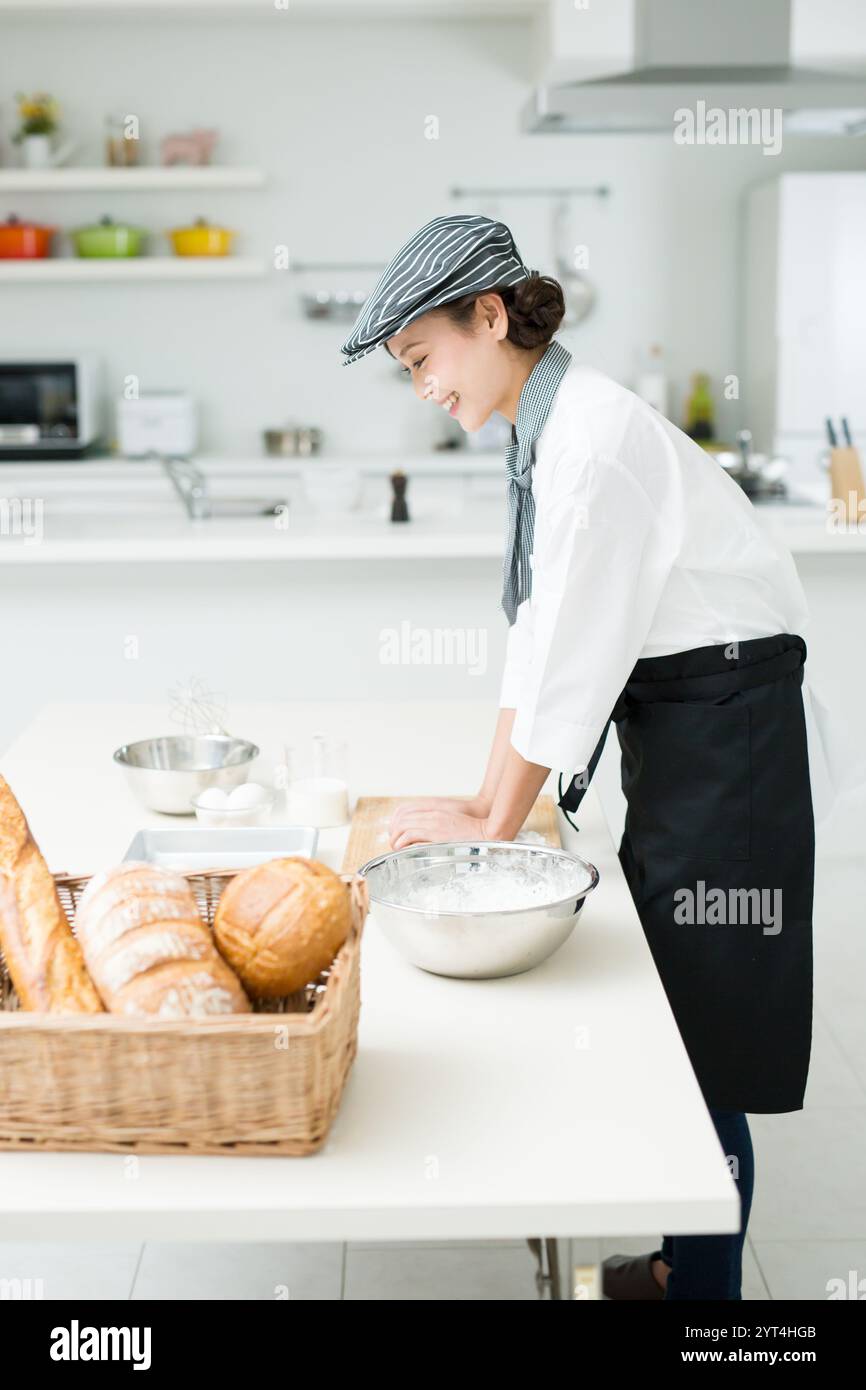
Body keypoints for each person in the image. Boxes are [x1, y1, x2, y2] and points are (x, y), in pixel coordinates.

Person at [339, 213, 837, 1300]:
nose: (423, 388)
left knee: (708, 1042)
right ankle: (675, 1265)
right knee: (680, 1017)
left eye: (422, 359)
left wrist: (490, 820)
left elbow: (568, 659)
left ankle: (706, 1304)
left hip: (733, 745)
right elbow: (537, 636)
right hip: (689, 730)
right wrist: (482, 802)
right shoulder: (548, 431)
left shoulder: (594, 440)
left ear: (488, 316)